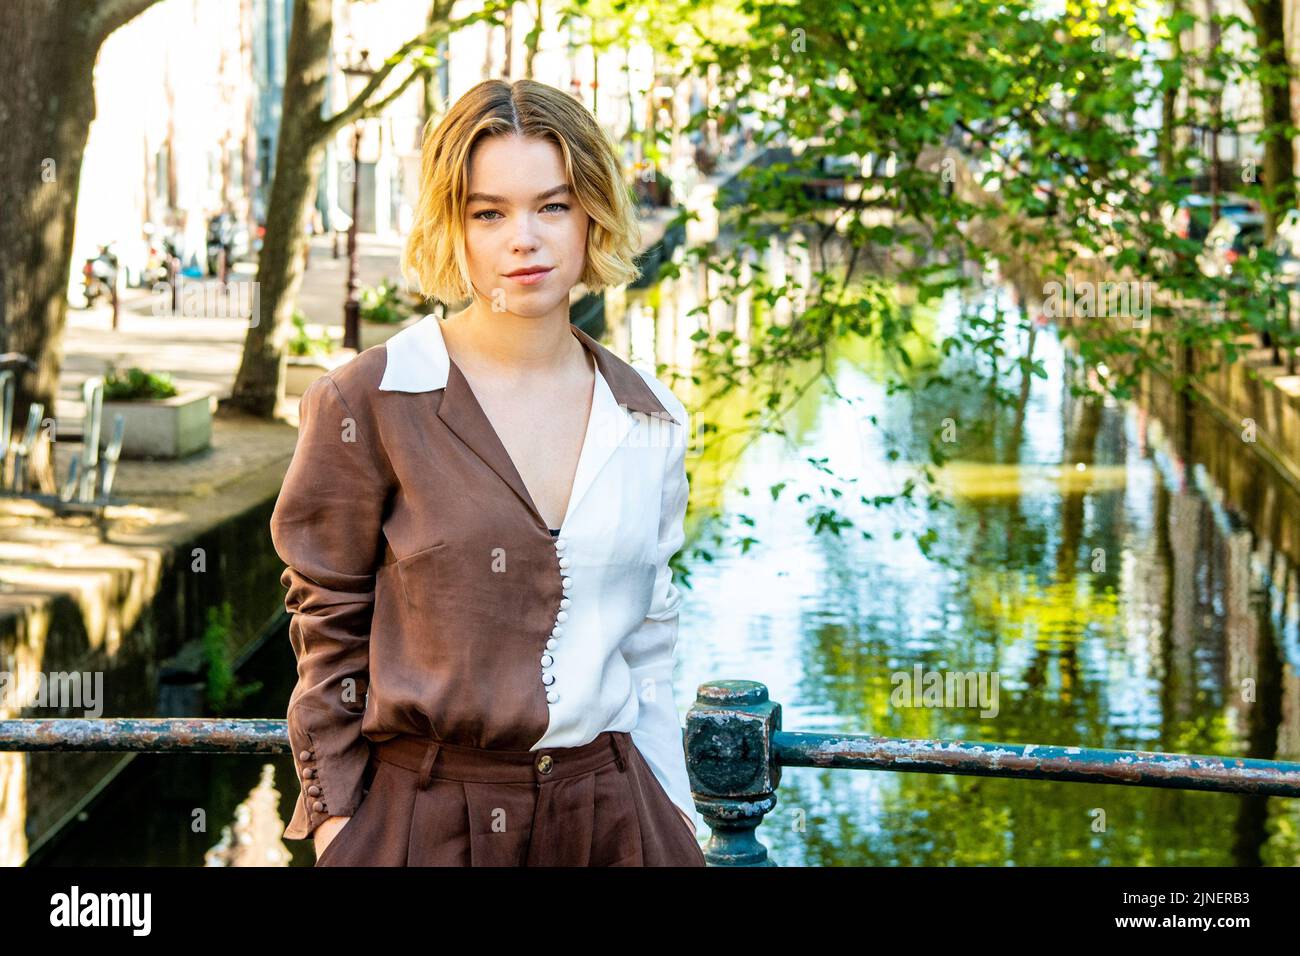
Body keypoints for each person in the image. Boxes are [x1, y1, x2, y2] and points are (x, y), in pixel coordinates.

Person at [269, 78, 706, 867]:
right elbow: (326, 625)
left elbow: (648, 643)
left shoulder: (650, 419)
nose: (524, 240)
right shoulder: (370, 401)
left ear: (592, 213)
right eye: (489, 212)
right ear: (453, 226)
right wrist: (338, 827)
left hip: (612, 818)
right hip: (428, 823)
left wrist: (675, 819)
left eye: (552, 205)